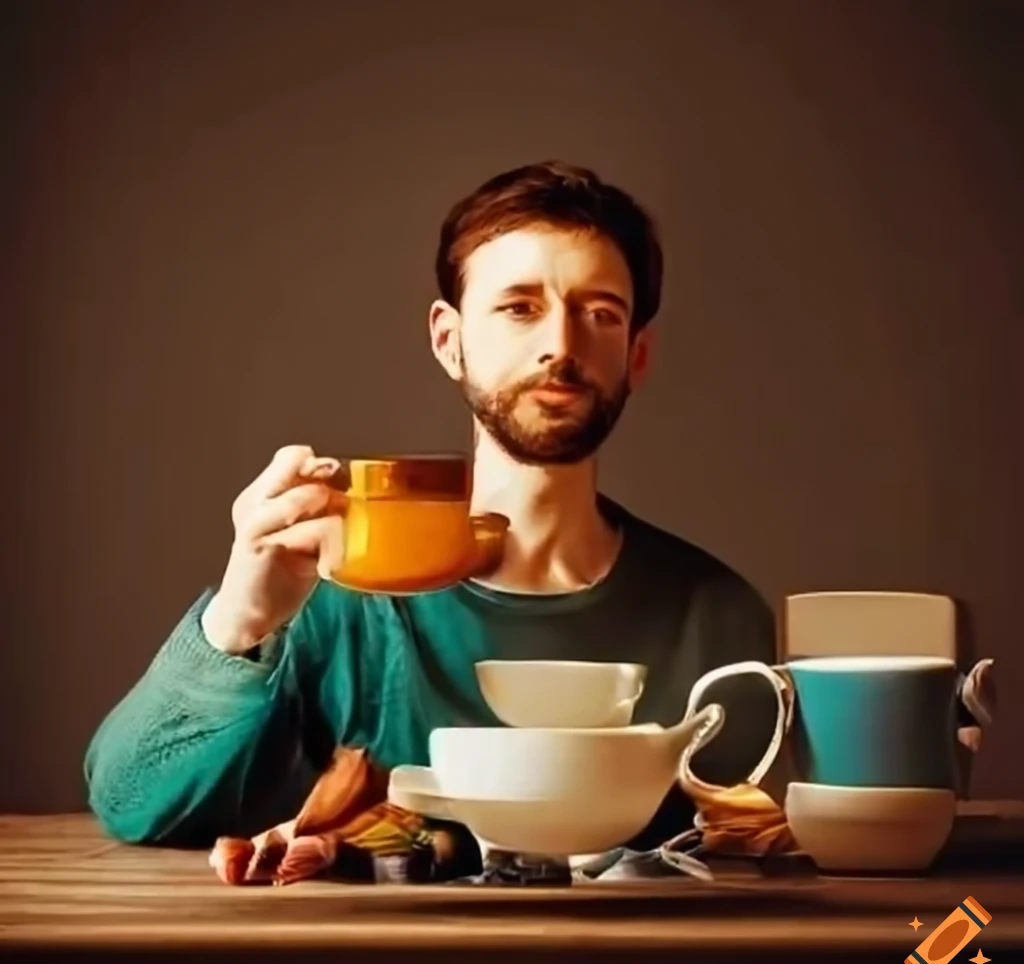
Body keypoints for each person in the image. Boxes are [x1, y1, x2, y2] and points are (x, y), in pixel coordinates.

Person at [84, 160, 779, 852]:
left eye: (599, 314)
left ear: (637, 355)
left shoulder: (719, 620)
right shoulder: (332, 599)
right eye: (520, 308)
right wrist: (238, 618)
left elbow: (737, 857)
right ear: (449, 340)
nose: (560, 346)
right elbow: (129, 803)